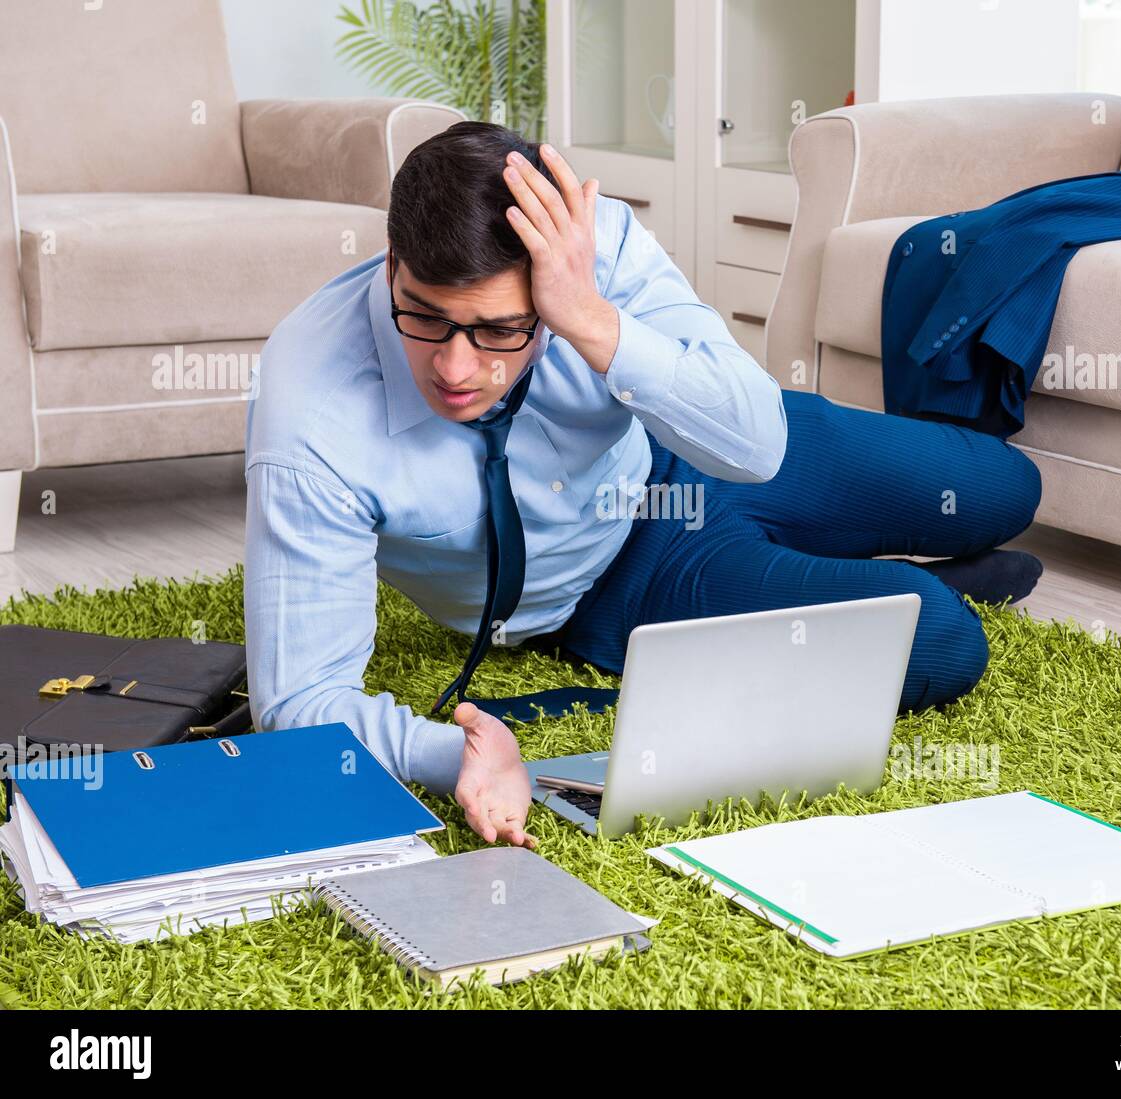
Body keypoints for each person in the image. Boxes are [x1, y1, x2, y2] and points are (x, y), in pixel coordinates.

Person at [244, 121, 1042, 849]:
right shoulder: (311, 404)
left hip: (686, 447)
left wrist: (588, 317)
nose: (456, 367)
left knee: (1007, 487)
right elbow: (299, 702)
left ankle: (871, 558)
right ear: (392, 266)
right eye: (425, 317)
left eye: (498, 330)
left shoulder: (597, 247)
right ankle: (900, 578)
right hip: (623, 584)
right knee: (940, 636)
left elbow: (757, 446)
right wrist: (452, 752)